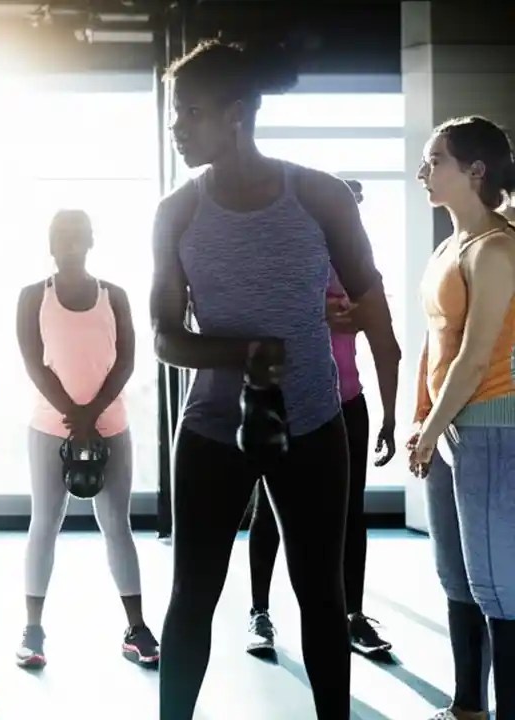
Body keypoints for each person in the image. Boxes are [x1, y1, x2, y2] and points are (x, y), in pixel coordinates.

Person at [149, 39, 400, 720]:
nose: (177, 128)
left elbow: (372, 304)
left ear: (236, 115)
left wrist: (391, 403)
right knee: (192, 597)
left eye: (190, 114)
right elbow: (166, 337)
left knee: (322, 594)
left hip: (315, 423)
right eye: (176, 115)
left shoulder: (318, 195)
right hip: (209, 431)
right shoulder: (176, 212)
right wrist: (245, 350)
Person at [244, 179, 399, 658]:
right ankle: (260, 614)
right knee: (270, 511)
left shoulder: (362, 277)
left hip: (347, 402)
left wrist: (391, 416)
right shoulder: (290, 264)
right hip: (286, 404)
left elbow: (386, 346)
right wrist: (318, 314)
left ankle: (353, 616)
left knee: (351, 513)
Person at [14, 209, 159, 670]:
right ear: (50, 243)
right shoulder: (32, 296)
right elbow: (34, 363)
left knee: (117, 524)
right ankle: (32, 631)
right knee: (45, 524)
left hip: (110, 427)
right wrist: (74, 417)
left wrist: (91, 416)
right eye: (61, 234)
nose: (70, 241)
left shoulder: (113, 296)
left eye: (78, 234)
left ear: (91, 240)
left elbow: (128, 359)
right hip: (50, 429)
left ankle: (136, 629)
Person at [407, 115, 515, 720]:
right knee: (456, 577)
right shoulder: (449, 247)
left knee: (499, 585)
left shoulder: (498, 248)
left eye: (435, 160)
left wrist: (431, 426)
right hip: (450, 427)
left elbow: (476, 358)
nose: (424, 171)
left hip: (494, 426)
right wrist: (422, 417)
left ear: (475, 170)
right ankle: (467, 706)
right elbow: (436, 339)